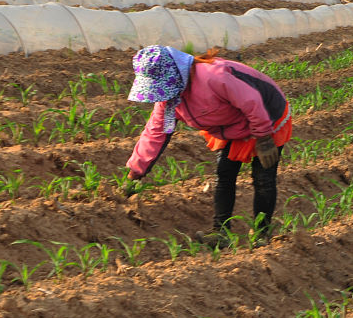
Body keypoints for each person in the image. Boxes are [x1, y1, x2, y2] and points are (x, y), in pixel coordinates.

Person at [125, 44, 292, 247]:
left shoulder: (214, 76)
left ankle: (261, 234)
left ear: (175, 73)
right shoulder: (170, 99)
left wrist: (264, 138)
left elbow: (252, 102)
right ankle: (220, 232)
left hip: (267, 117)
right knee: (225, 173)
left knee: (263, 178)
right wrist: (135, 173)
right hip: (232, 125)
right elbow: (155, 132)